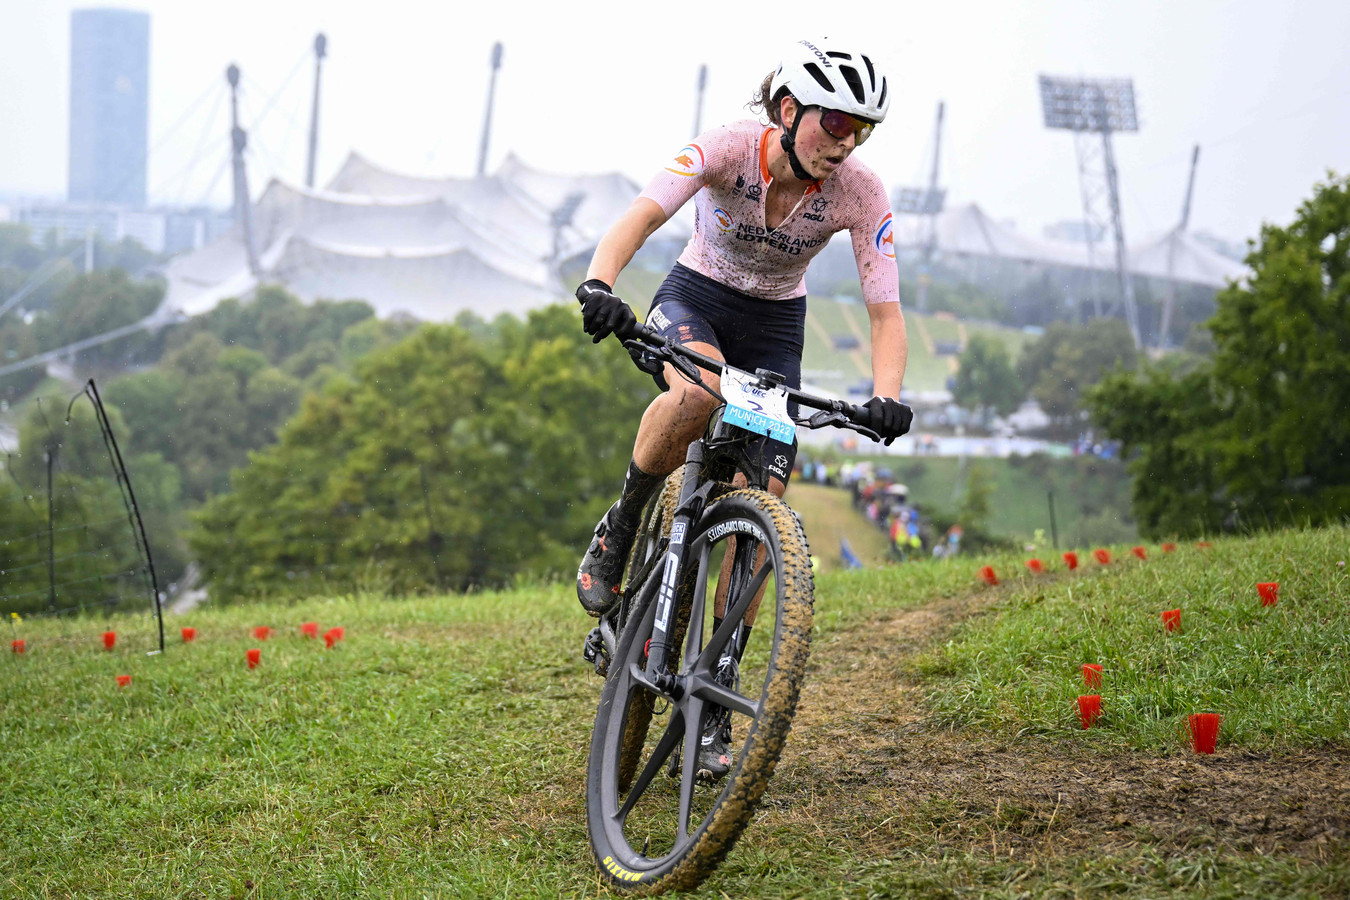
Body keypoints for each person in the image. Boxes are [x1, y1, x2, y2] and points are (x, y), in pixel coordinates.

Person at [575, 38, 914, 778]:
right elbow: (643, 210)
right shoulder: (728, 147)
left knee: (765, 507)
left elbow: (885, 312)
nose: (846, 141)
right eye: (834, 122)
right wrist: (601, 283)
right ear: (789, 109)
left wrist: (888, 397)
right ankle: (623, 522)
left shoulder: (861, 191)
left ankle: (715, 699)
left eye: (862, 129)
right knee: (696, 394)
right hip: (696, 297)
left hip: (774, 330)